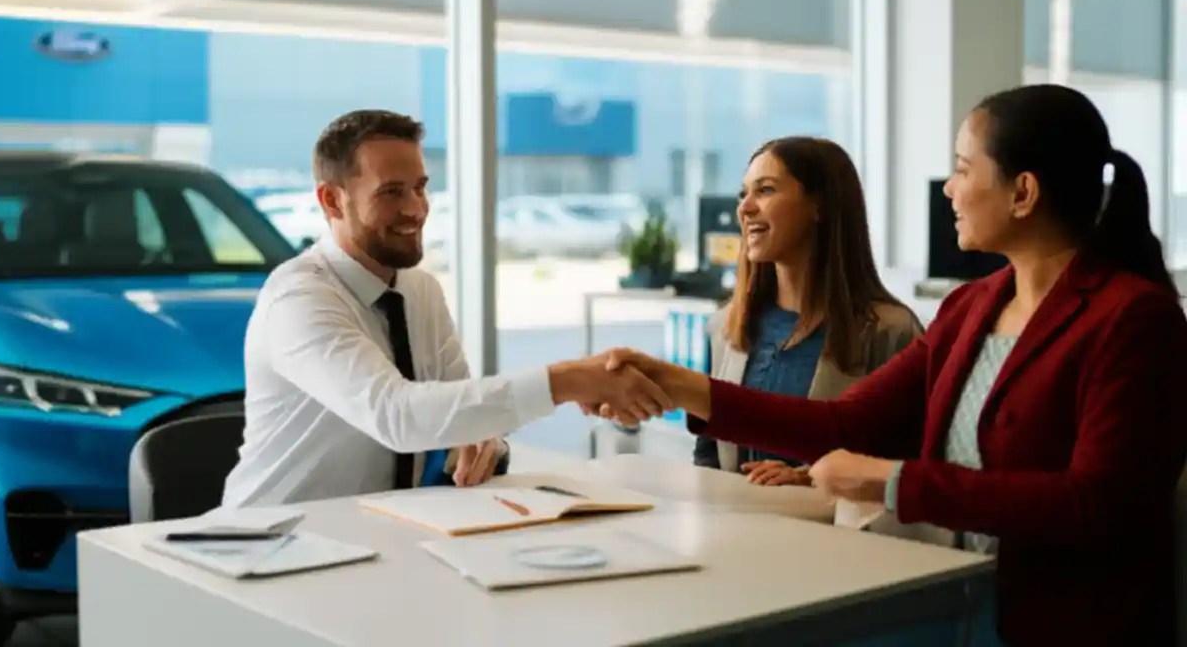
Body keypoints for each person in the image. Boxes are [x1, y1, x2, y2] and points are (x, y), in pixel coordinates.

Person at [596, 85, 1187, 645]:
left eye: (962, 169)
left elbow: (1095, 505)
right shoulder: (970, 307)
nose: (949, 191)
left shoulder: (1133, 319)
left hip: (1061, 627)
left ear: (1023, 193)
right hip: (953, 598)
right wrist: (678, 386)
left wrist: (894, 481)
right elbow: (842, 424)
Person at [222, 110, 668, 507]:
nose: (415, 209)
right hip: (271, 542)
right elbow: (397, 415)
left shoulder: (420, 291)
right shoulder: (299, 298)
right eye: (392, 192)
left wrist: (482, 439)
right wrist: (566, 381)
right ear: (331, 200)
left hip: (376, 536)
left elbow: (452, 409)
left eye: (420, 187)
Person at [695, 137, 921, 487]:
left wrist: (812, 478)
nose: (745, 208)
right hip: (738, 532)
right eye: (744, 194)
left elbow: (912, 463)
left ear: (820, 206)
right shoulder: (724, 328)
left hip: (838, 537)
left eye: (765, 190)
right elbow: (708, 460)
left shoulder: (891, 332)